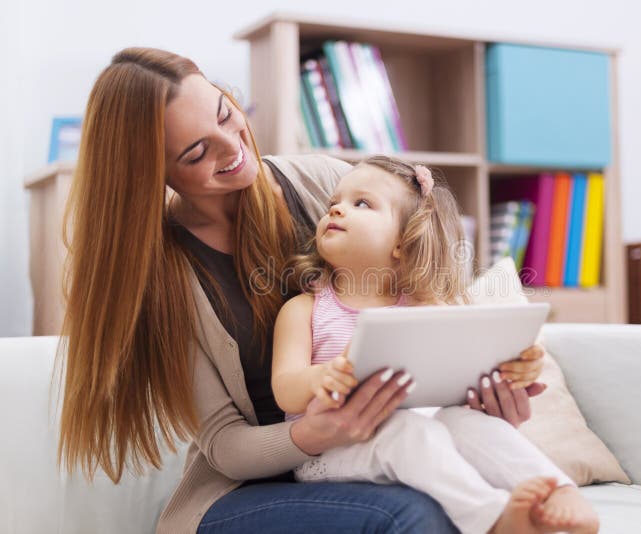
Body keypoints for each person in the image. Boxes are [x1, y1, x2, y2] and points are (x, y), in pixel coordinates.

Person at [55, 47, 551, 534]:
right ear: (152, 176)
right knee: (414, 513)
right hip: (245, 493)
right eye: (197, 152)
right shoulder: (163, 274)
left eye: (226, 115)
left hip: (380, 448)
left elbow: (430, 311)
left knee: (460, 488)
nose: (232, 148)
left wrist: (488, 389)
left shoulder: (331, 186)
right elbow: (225, 446)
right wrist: (317, 433)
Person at [271, 156, 600, 534]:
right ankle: (492, 519)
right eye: (334, 203)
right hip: (328, 455)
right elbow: (285, 390)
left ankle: (560, 490)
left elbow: (470, 369)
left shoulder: (426, 308)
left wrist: (519, 366)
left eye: (361, 203)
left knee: (464, 421)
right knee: (409, 429)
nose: (337, 209)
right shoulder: (305, 309)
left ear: (401, 243)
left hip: (416, 438)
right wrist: (321, 378)